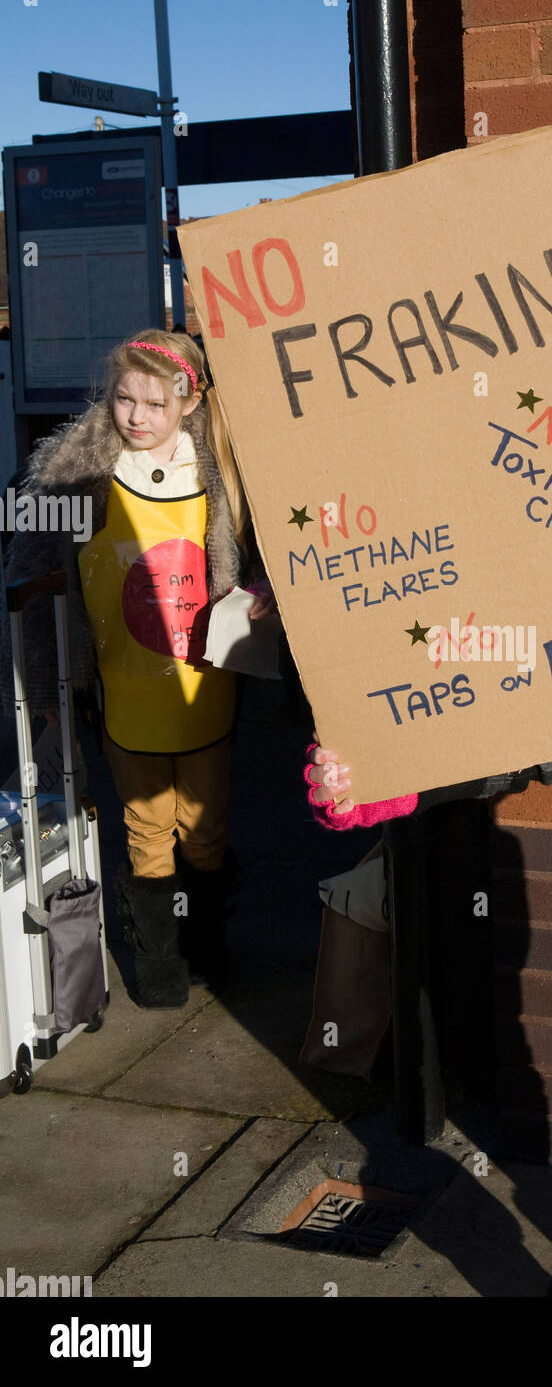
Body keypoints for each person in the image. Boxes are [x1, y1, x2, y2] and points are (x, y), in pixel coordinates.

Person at [1, 328, 271, 1009]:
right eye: (124, 399)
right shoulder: (84, 473)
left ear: (188, 402)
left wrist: (261, 594)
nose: (136, 416)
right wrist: (45, 681)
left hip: (206, 683)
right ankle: (158, 967)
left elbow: (267, 553)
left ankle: (208, 946)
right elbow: (34, 574)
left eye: (154, 403)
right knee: (148, 825)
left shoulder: (222, 471)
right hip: (121, 688)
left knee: (205, 824)